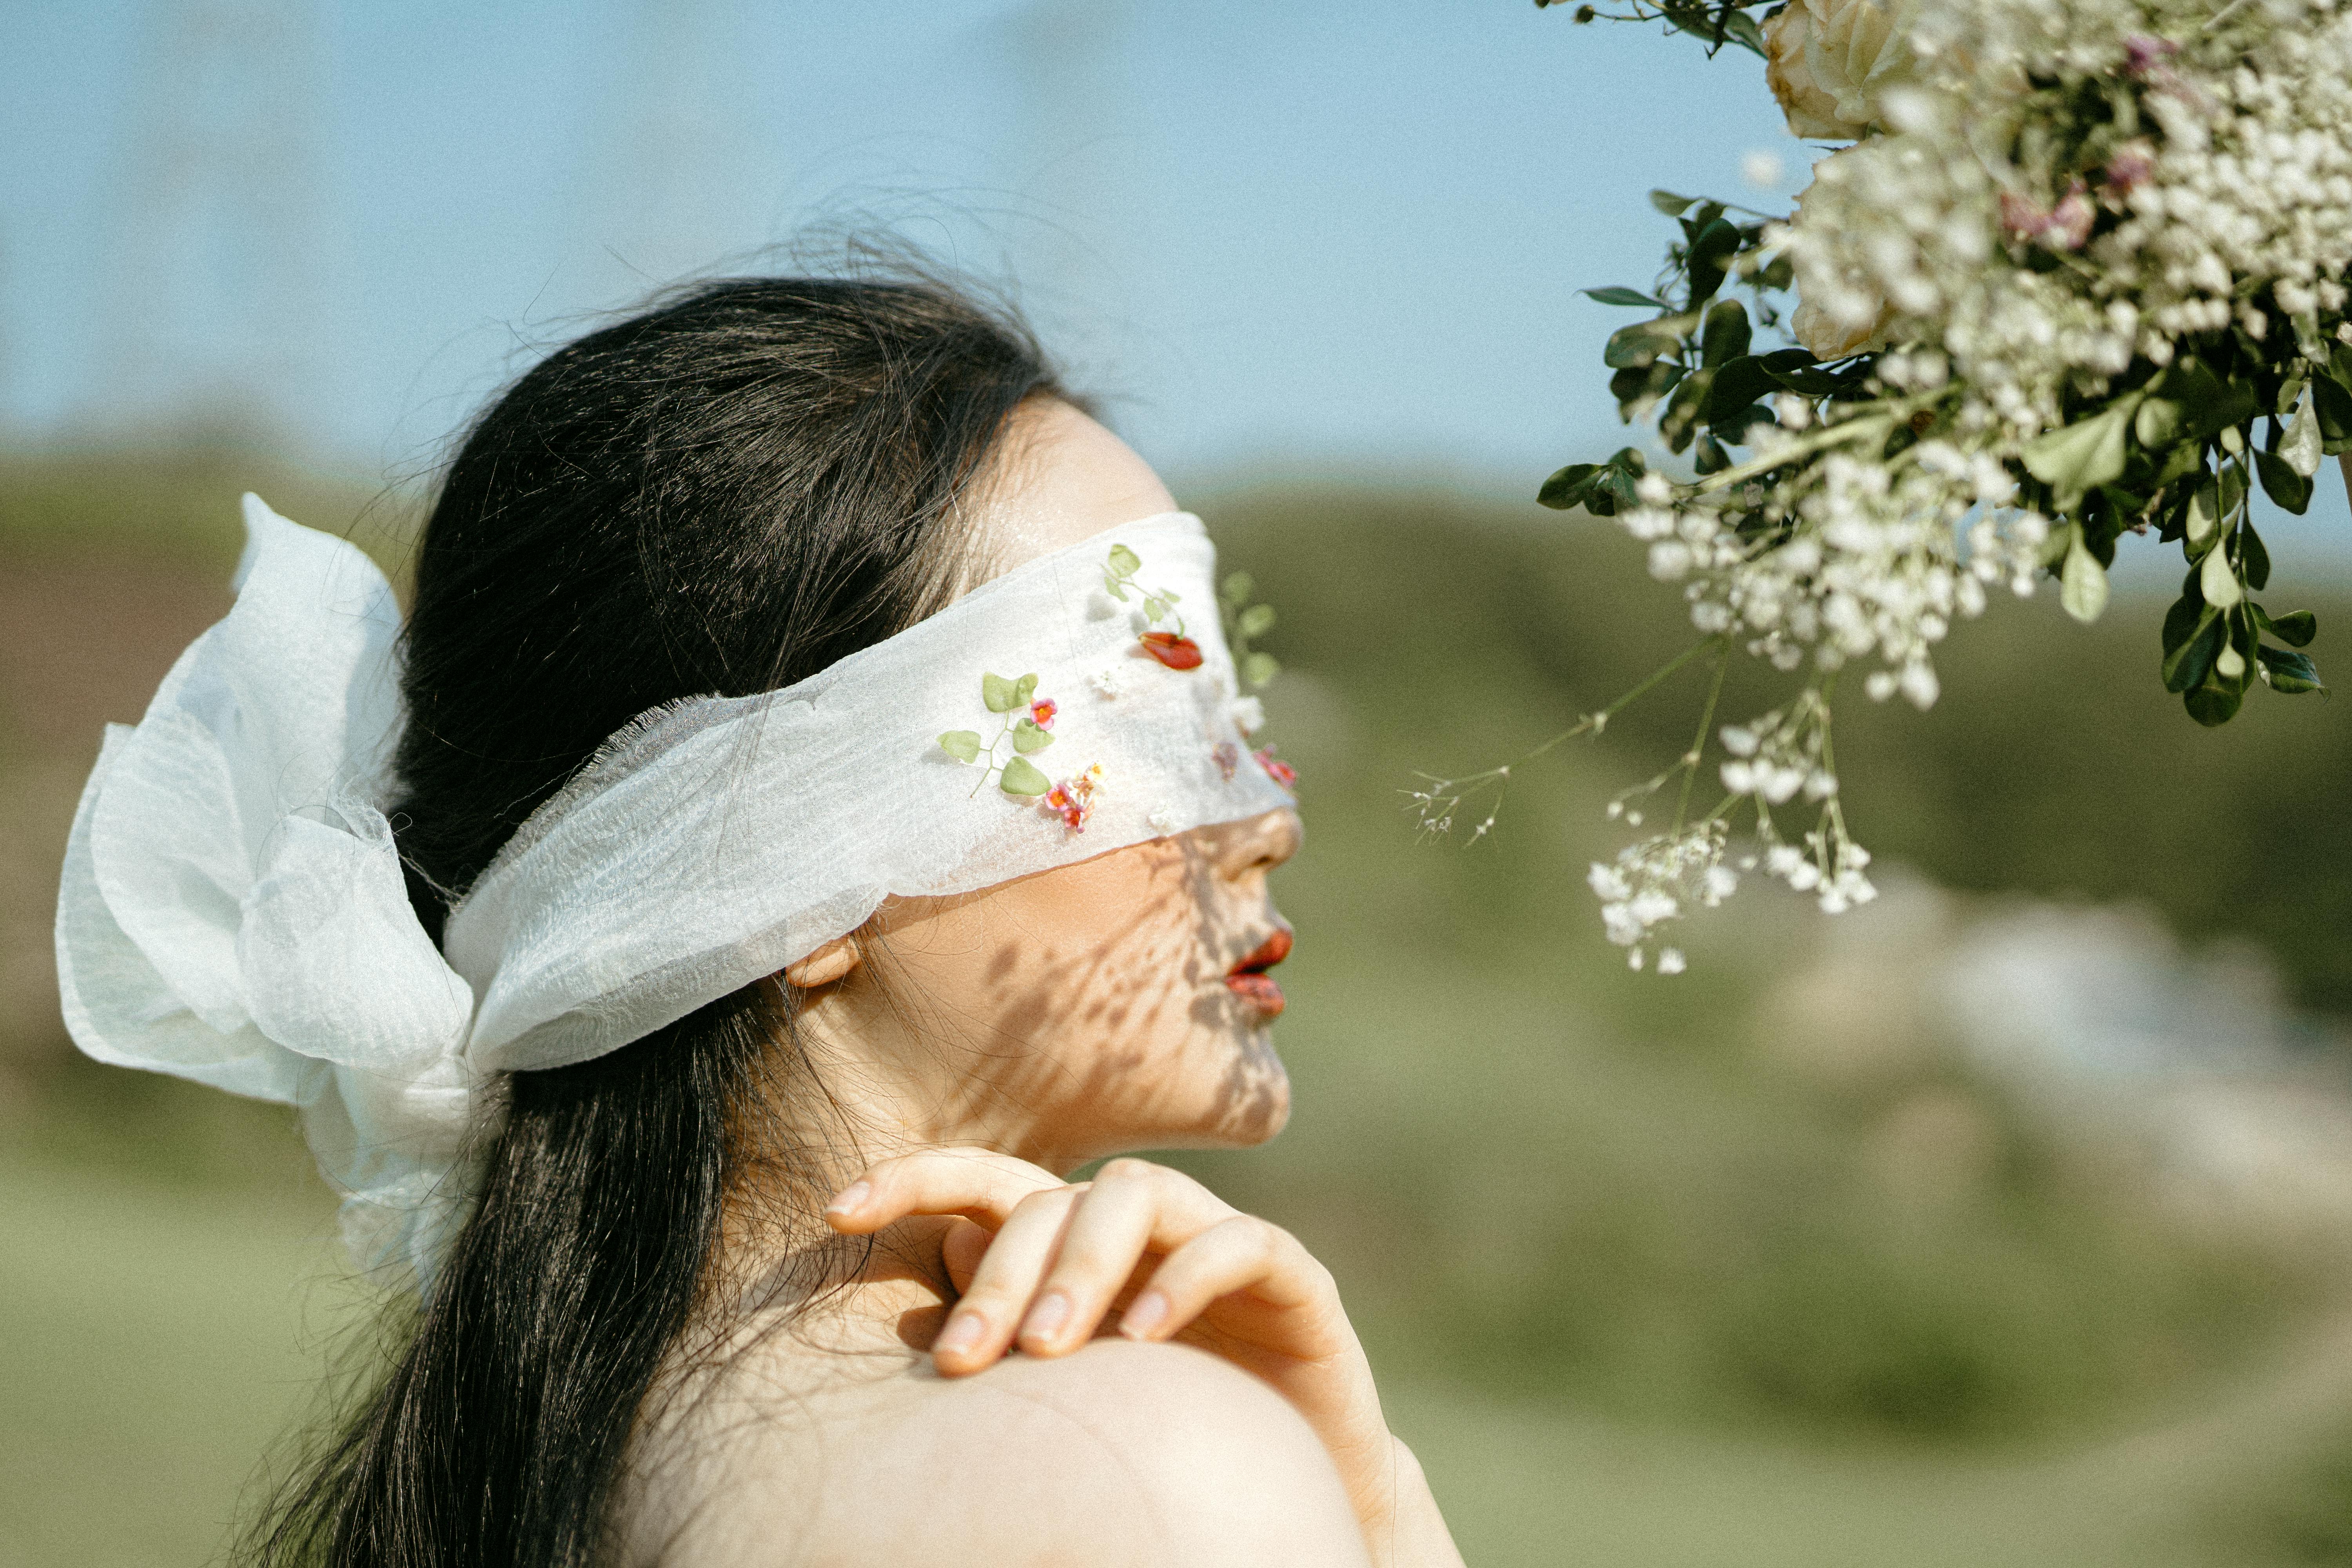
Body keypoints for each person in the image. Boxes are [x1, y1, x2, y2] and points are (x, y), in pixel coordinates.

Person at [55, 275, 1465, 1568]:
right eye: (1154, 710)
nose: (1264, 816)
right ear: (780, 869)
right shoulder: (1134, 1474)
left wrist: (1363, 1490)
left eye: (1233, 710)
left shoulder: (552, 1441)